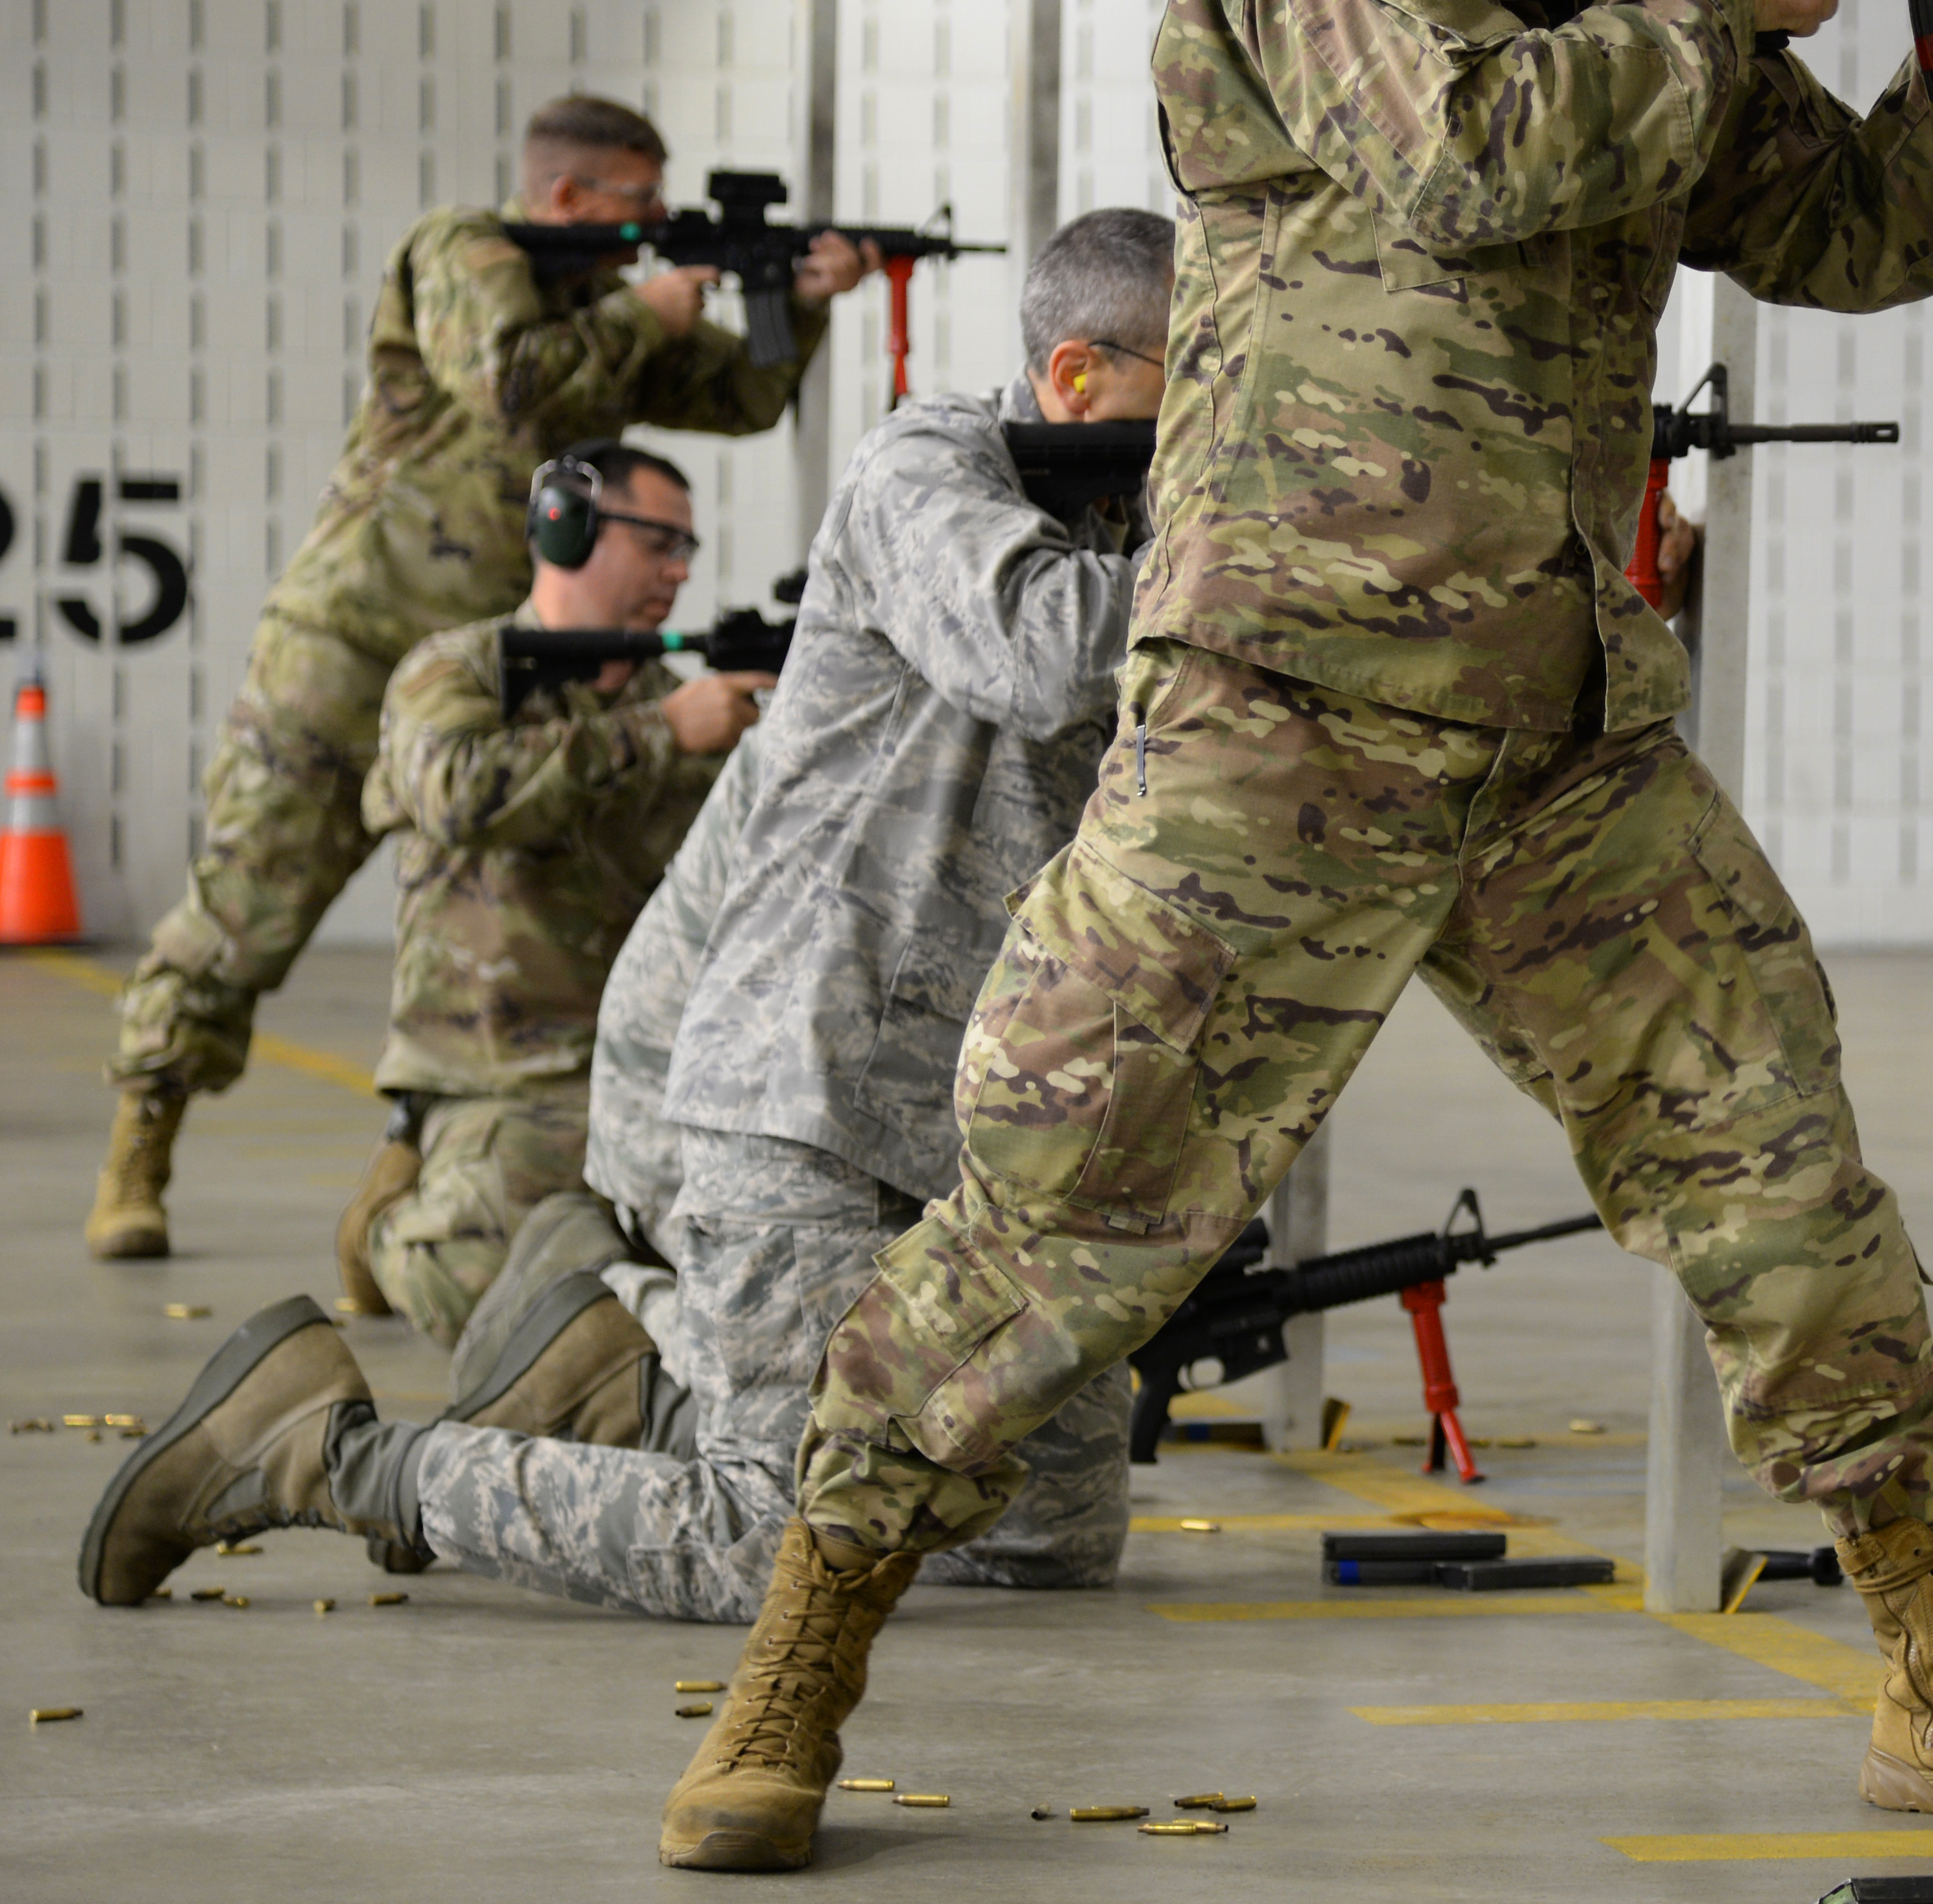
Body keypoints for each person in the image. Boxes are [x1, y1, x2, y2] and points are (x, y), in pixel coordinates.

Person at [638, 0, 1933, 1873]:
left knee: (1779, 1176)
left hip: (1556, 738)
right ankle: (795, 1669)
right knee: (1060, 1208)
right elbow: (1459, 148)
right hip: (1283, 718)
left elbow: (1857, 237)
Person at [76, 214, 1171, 1620]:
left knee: (1045, 1539)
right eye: (1196, 378)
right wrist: (1276, 549)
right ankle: (324, 1456)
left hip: (977, 1124)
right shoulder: (929, 466)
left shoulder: (1132, 522)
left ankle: (634, 1373)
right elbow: (1044, 651)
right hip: (803, 1093)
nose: (1225, 420)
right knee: (762, 1544)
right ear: (1075, 378)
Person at [77, 96, 875, 1263]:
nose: (658, 223)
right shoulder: (470, 252)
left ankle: (408, 1174)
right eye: (638, 202)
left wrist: (796, 307)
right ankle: (143, 1134)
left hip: (494, 667)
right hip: (352, 642)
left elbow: (737, 399)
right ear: (566, 199)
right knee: (254, 900)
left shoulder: (595, 309)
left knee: (489, 933)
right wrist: (642, 306)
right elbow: (513, 382)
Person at [329, 441, 769, 1349]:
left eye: (686, 548)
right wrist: (658, 736)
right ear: (566, 533)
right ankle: (386, 1226)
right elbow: (459, 793)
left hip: (640, 1074)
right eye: (658, 543)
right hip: (496, 1067)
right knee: (497, 1297)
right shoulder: (456, 673)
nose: (679, 570)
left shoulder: (679, 704)